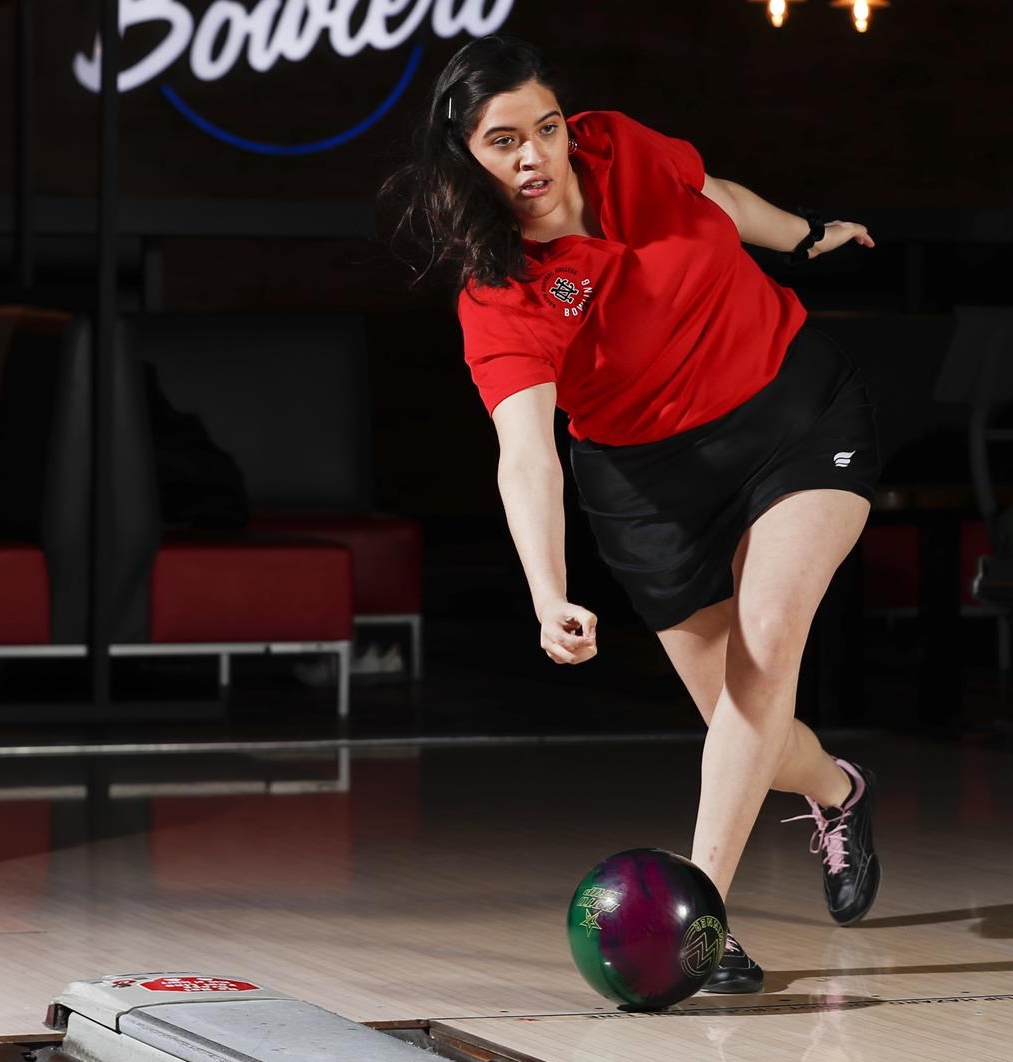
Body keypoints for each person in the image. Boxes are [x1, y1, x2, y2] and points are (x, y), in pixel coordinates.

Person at [385, 36, 880, 993]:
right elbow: (525, 454)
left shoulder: (619, 148)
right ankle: (837, 790)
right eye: (502, 141)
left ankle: (701, 922)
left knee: (767, 648)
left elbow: (720, 202)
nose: (534, 155)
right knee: (748, 725)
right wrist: (547, 592)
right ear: (465, 155)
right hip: (647, 487)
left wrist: (805, 234)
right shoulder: (502, 292)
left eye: (546, 127)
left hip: (794, 415)